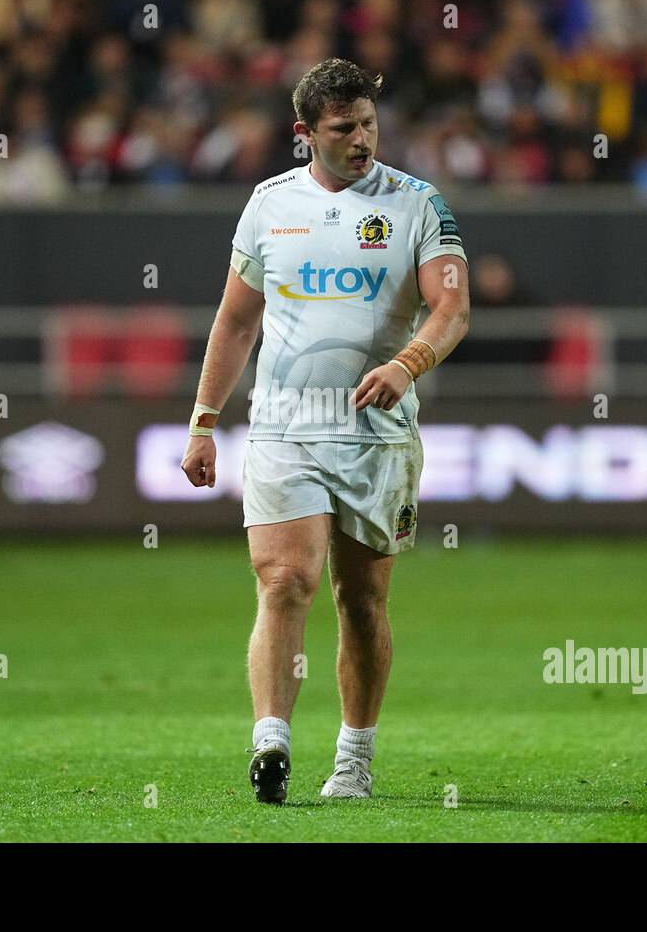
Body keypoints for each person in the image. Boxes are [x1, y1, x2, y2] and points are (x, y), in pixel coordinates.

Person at [180, 58, 470, 803]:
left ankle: (354, 760)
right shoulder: (269, 203)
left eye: (370, 123)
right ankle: (270, 741)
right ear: (305, 133)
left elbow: (452, 308)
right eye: (344, 128)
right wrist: (204, 420)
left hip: (377, 434)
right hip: (284, 427)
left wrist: (407, 364)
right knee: (284, 579)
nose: (363, 139)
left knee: (362, 601)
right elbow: (237, 320)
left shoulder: (417, 204)